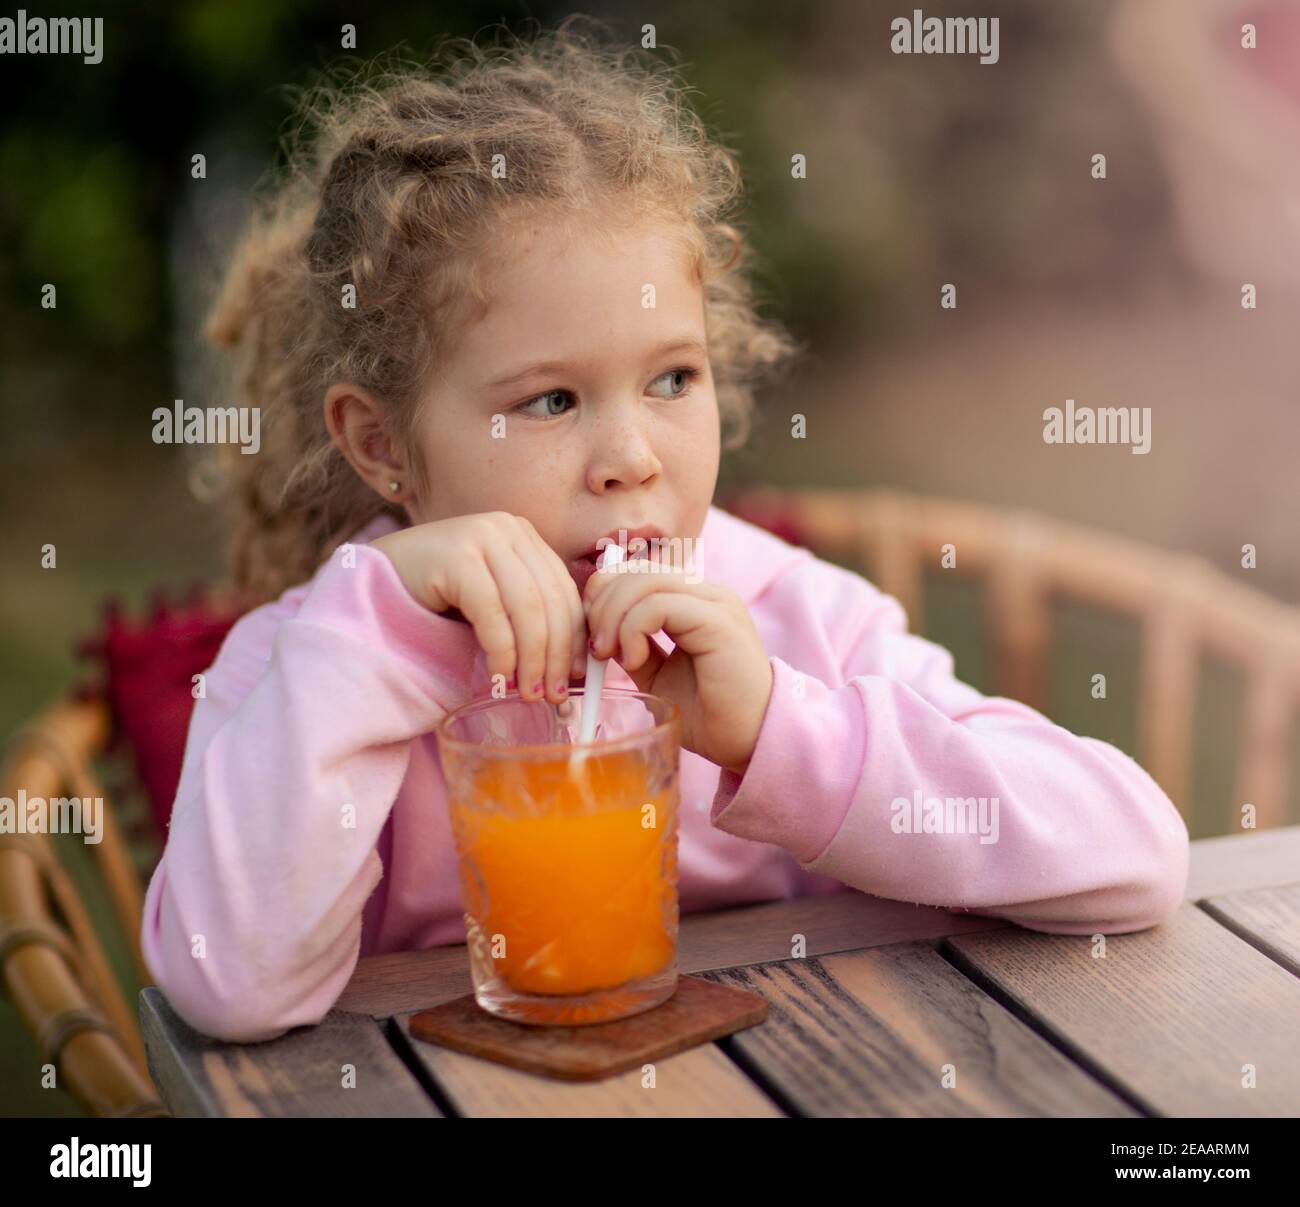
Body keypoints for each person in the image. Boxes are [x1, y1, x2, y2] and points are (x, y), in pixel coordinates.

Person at [141, 20, 1188, 1043]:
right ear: (381, 445)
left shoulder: (789, 622)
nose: (631, 455)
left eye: (671, 379)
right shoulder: (307, 664)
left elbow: (1131, 853)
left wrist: (780, 730)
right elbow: (227, 987)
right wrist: (378, 627)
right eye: (550, 400)